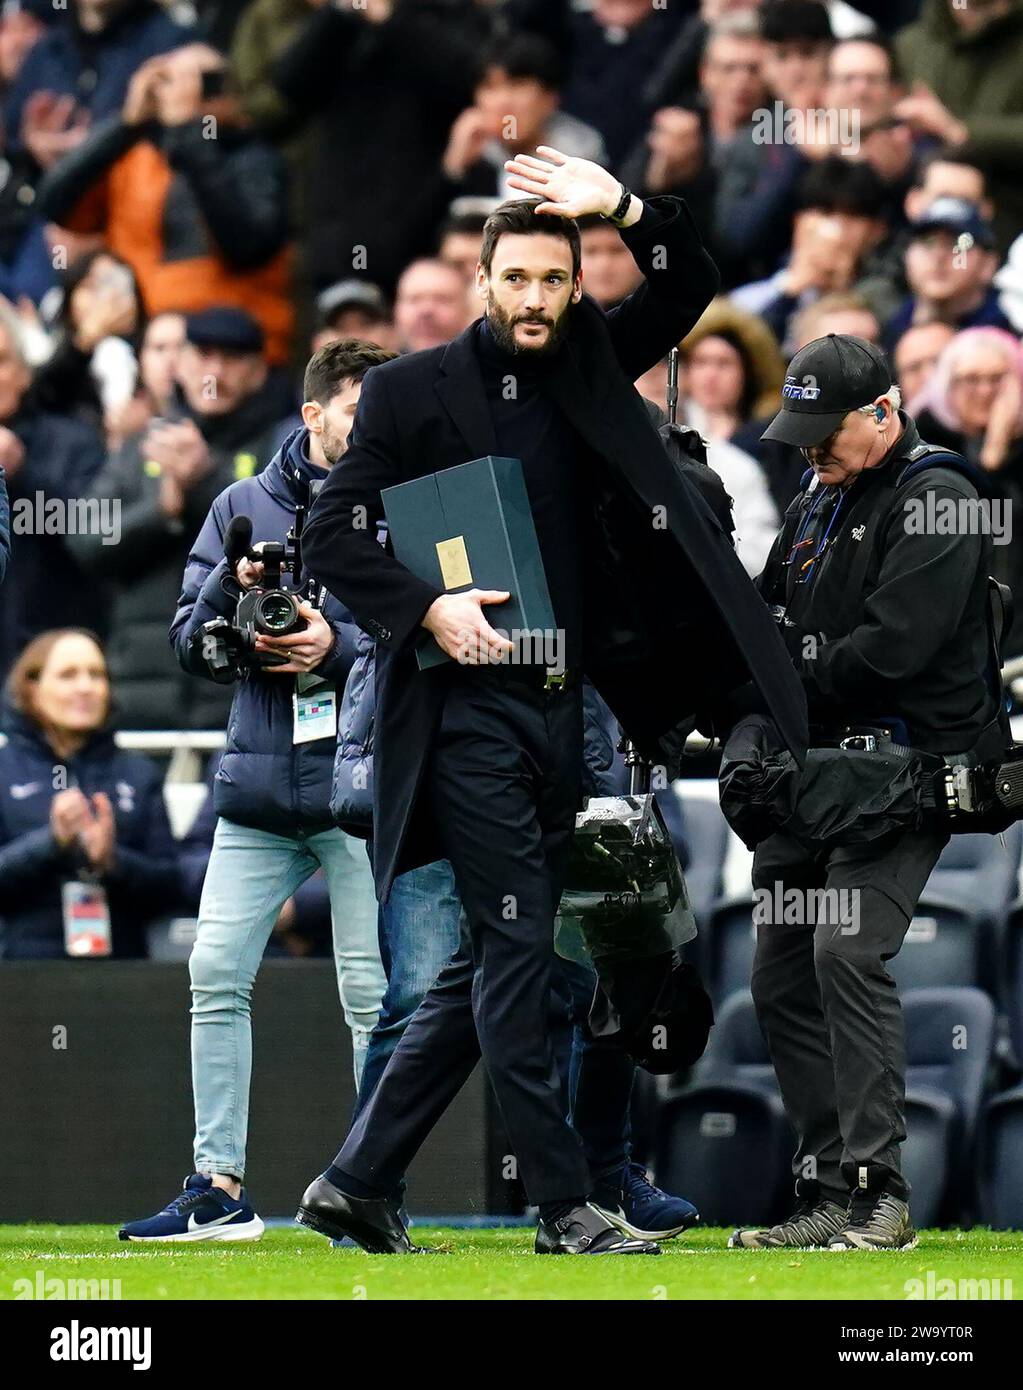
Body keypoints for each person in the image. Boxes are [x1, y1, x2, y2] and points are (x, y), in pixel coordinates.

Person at [296, 147, 806, 1256]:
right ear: (484, 282)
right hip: (463, 713)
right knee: (527, 953)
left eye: (553, 279)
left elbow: (686, 283)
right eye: (516, 280)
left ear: (577, 285)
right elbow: (327, 530)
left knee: (497, 956)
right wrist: (427, 609)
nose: (534, 299)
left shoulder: (586, 362)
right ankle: (566, 1206)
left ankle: (357, 1179)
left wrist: (622, 205)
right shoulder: (403, 388)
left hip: (567, 708)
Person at [117, 340, 388, 1243]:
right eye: (358, 409)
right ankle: (217, 1185)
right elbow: (186, 638)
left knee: (369, 993)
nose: (374, 425)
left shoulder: (402, 497)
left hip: (359, 787)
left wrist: (335, 649)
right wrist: (236, 621)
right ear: (312, 414)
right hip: (264, 787)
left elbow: (426, 634)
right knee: (214, 971)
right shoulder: (240, 504)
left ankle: (366, 1188)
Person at [731, 333, 998, 1250]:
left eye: (824, 431)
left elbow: (892, 649)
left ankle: (880, 1190)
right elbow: (764, 614)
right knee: (778, 977)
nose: (808, 450)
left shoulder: (943, 501)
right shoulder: (815, 496)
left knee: (845, 950)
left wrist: (774, 686)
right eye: (797, 431)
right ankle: (823, 1193)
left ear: (883, 411)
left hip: (902, 776)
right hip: (813, 779)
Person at [67, 306, 290, 730]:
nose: (215, 370)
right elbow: (84, 538)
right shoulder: (145, 445)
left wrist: (206, 479)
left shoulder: (280, 446)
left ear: (259, 371)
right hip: (141, 690)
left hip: (240, 691)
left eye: (232, 358)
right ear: (181, 365)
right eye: (203, 355)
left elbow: (285, 539)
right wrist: (160, 511)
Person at [36, 42, 293, 365]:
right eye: (172, 80)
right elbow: (53, 202)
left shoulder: (256, 158)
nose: (195, 92)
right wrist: (128, 122)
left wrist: (190, 132)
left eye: (208, 81)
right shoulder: (134, 160)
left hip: (232, 359)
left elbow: (246, 244)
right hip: (145, 357)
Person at [0, 628, 180, 959]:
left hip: (122, 973)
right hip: (19, 974)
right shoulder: (3, 769)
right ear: (31, 687)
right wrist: (51, 843)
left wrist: (112, 860)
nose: (86, 687)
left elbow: (172, 885)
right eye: (68, 675)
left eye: (96, 675)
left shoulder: (138, 773)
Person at [0, 299, 109, 678]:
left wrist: (23, 476)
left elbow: (99, 535)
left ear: (25, 373)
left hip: (49, 666)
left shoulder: (72, 442)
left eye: (1, 361)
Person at [911, 326, 1023, 655]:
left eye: (998, 378)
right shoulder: (927, 452)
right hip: (963, 642)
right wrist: (992, 456)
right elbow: (984, 530)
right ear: (947, 387)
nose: (985, 391)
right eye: (970, 380)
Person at [884, 198, 1010, 352]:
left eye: (958, 244)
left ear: (988, 264)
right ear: (906, 257)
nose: (939, 256)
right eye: (927, 242)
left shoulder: (1012, 326)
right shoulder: (890, 331)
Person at [392, 259, 472, 355]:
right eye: (415, 299)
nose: (426, 310)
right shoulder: (376, 367)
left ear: (467, 310)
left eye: (441, 299)